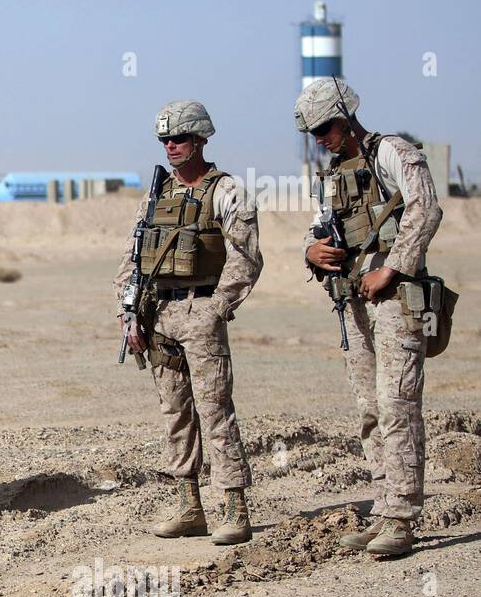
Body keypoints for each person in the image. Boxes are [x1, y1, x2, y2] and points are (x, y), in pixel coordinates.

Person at [296, 78, 442, 557]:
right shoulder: (334, 173)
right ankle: (384, 507)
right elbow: (320, 229)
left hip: (397, 301)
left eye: (327, 127)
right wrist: (311, 252)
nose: (321, 137)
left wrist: (393, 269)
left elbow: (424, 210)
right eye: (314, 131)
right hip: (354, 303)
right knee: (369, 411)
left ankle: (402, 517)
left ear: (346, 115)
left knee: (396, 404)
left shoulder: (393, 153)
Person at [115, 101, 263, 545]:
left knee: (216, 410)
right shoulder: (156, 194)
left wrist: (218, 307)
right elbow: (132, 259)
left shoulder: (227, 191)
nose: (170, 147)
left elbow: (247, 257)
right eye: (164, 140)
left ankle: (235, 508)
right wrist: (128, 314)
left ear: (201, 139)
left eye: (178, 138)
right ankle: (189, 506)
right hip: (157, 312)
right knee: (176, 414)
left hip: (200, 311)